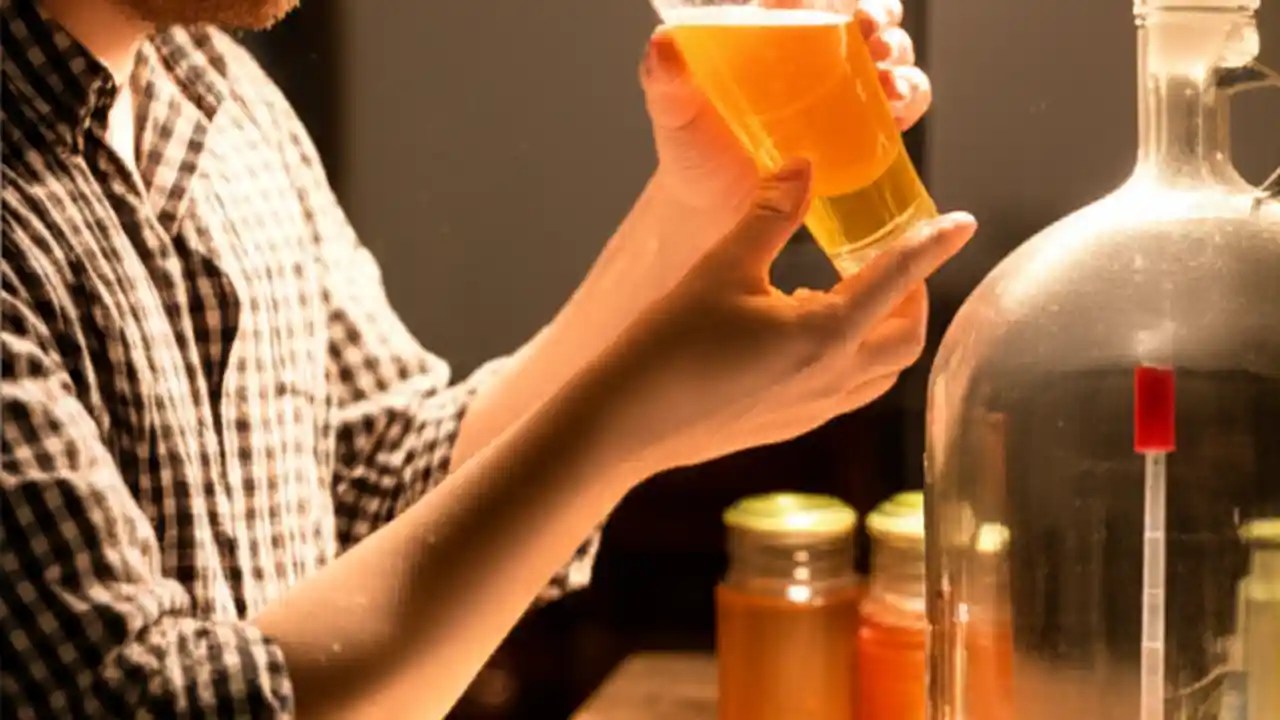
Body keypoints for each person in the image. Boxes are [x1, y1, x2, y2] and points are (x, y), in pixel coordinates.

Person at [0, 0, 976, 716]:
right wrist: (623, 429)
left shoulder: (215, 89)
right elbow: (136, 702)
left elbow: (401, 487)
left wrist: (693, 205)